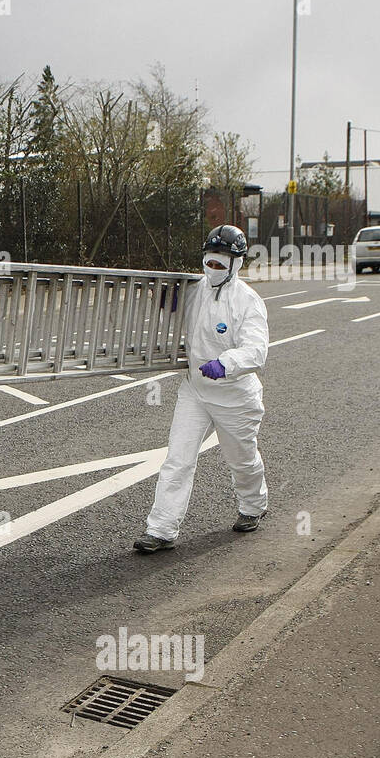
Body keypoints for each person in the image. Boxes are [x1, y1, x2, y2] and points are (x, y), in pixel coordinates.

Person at [134, 224, 270, 553]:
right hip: (195, 391)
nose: (213, 269)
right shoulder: (196, 289)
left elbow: (256, 350)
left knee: (242, 460)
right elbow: (175, 307)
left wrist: (227, 363)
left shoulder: (248, 302)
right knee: (178, 459)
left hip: (235, 397)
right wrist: (166, 299)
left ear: (237, 263)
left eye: (221, 263)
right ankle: (162, 529)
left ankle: (253, 506)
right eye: (209, 261)